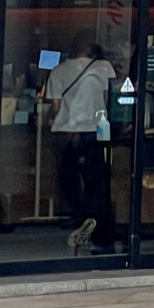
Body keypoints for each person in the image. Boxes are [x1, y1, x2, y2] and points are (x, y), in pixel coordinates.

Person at [43, 37, 118, 254]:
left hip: (67, 134)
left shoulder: (57, 71)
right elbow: (109, 98)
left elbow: (56, 107)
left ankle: (81, 215)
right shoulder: (104, 67)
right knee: (97, 183)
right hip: (97, 131)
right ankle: (101, 237)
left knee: (68, 181)